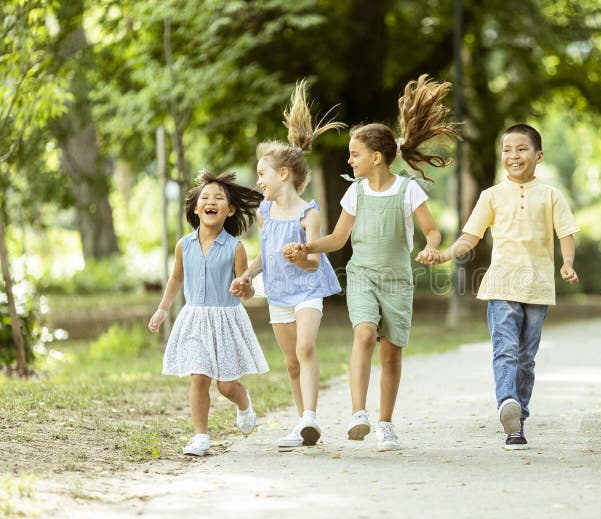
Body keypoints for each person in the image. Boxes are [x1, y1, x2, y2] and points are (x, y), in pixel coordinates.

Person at [283, 74, 459, 451]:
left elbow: (432, 231)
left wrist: (430, 247)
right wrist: (306, 247)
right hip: (362, 276)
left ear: (376, 157)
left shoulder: (408, 189)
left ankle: (385, 423)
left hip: (397, 281)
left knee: (391, 351)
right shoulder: (355, 191)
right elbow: (337, 238)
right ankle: (358, 412)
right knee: (364, 333)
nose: (349, 160)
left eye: (355, 154)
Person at [423, 124, 580, 451]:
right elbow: (470, 236)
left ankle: (518, 416)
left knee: (526, 357)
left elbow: (566, 231)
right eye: (507, 149)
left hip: (538, 287)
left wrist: (567, 262)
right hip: (502, 284)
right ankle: (508, 403)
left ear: (538, 156)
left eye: (521, 149)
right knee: (505, 350)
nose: (514, 155)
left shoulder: (550, 195)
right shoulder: (491, 196)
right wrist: (445, 255)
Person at [230, 80, 344, 448]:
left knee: (305, 349)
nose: (258, 180)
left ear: (283, 175)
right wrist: (248, 275)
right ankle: (302, 426)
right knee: (291, 363)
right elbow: (266, 252)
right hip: (277, 292)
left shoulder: (309, 212)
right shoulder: (265, 211)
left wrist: (301, 255)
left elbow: (313, 262)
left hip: (308, 288)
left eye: (262, 173)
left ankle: (311, 415)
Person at [148, 170, 268, 457]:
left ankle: (243, 402)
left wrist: (245, 290)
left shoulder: (235, 248)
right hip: (194, 320)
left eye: (218, 198)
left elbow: (246, 287)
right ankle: (201, 436)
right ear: (196, 208)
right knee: (199, 376)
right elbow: (176, 279)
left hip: (225, 321)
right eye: (204, 197)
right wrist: (163, 309)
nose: (210, 201)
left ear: (230, 210)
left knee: (226, 385)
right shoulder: (183, 245)